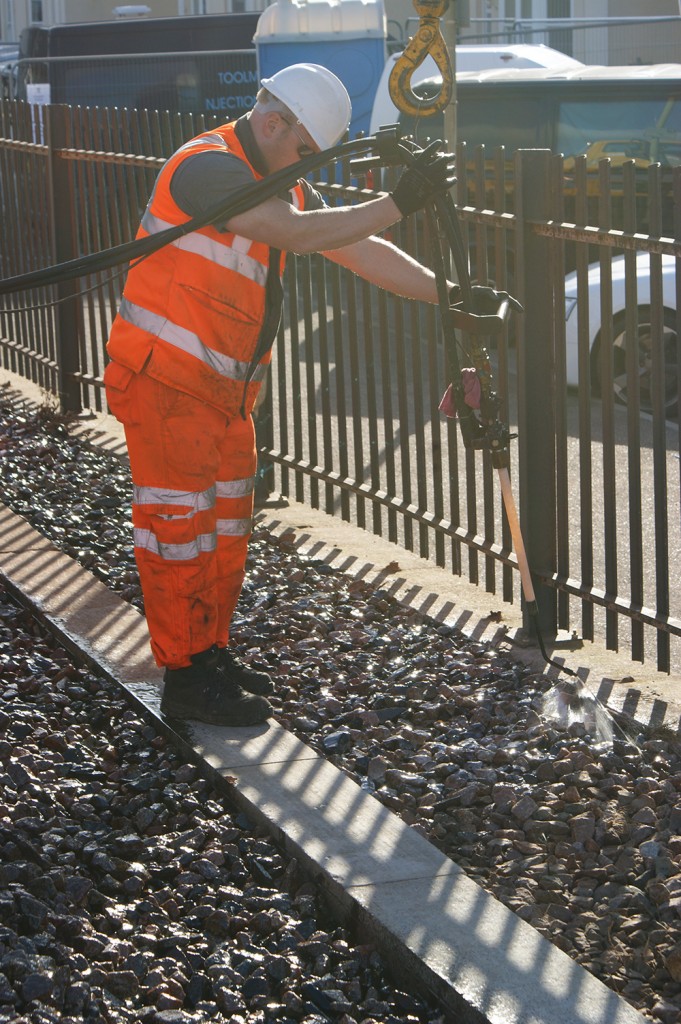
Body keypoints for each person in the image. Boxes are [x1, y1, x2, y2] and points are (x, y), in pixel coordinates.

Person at [104, 63, 516, 728]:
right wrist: (398, 201)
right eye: (303, 152)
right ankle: (184, 675)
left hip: (223, 395)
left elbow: (355, 247)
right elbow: (296, 234)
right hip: (167, 385)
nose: (306, 167)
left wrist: (449, 295)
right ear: (271, 124)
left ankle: (209, 653)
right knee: (179, 533)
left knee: (227, 530)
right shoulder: (204, 167)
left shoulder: (273, 178)